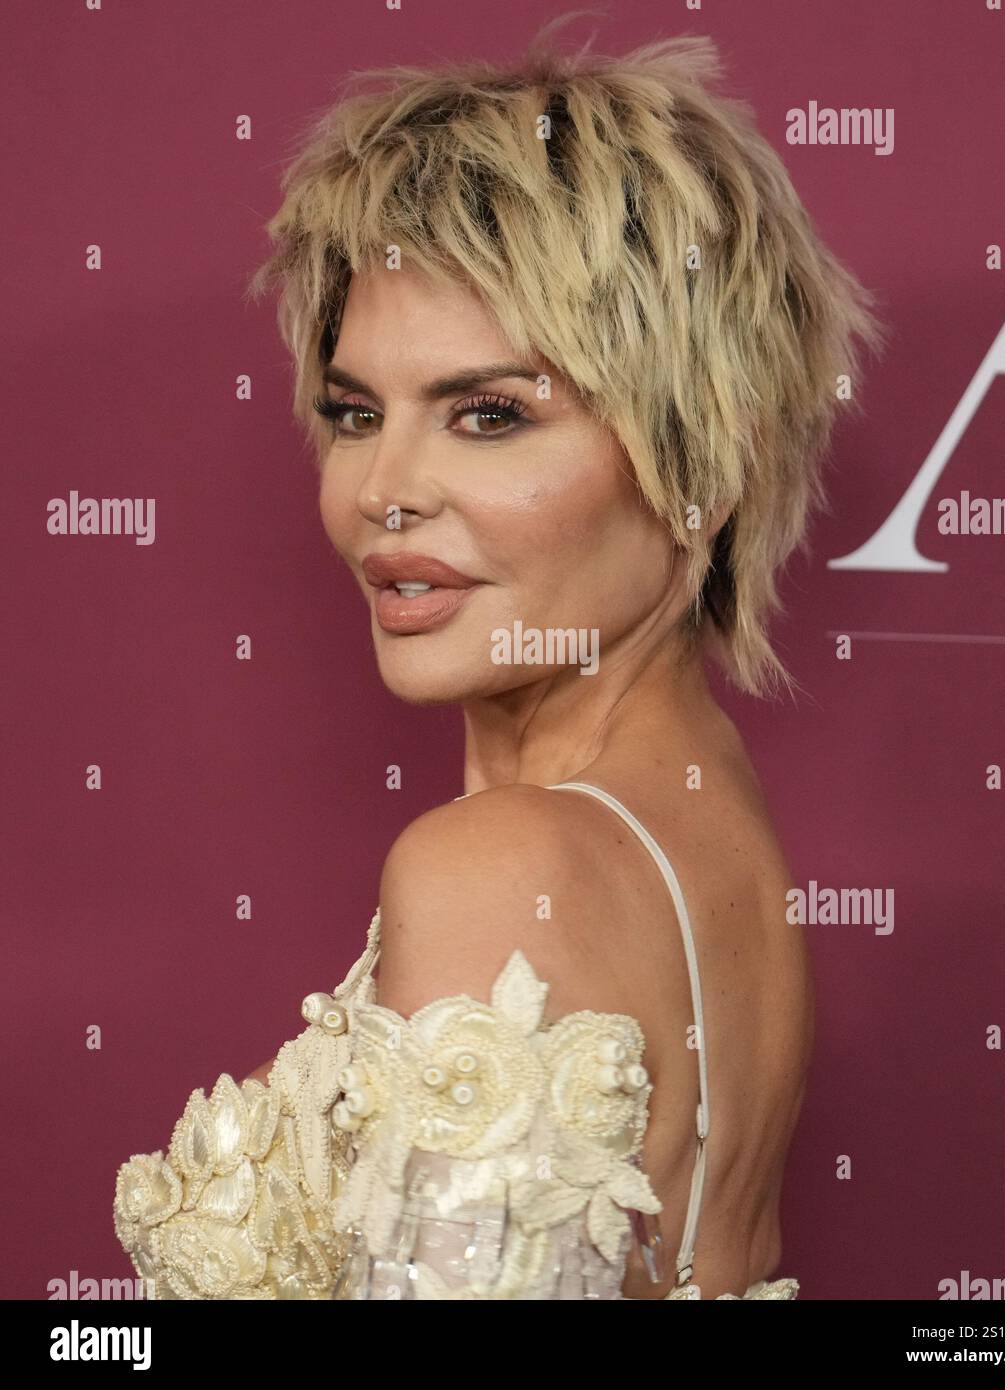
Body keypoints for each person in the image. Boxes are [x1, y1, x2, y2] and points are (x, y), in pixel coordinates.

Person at [113, 18, 883, 1300]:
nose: (383, 492)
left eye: (487, 414)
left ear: (702, 462)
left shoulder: (505, 864)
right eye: (354, 413)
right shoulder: (705, 825)